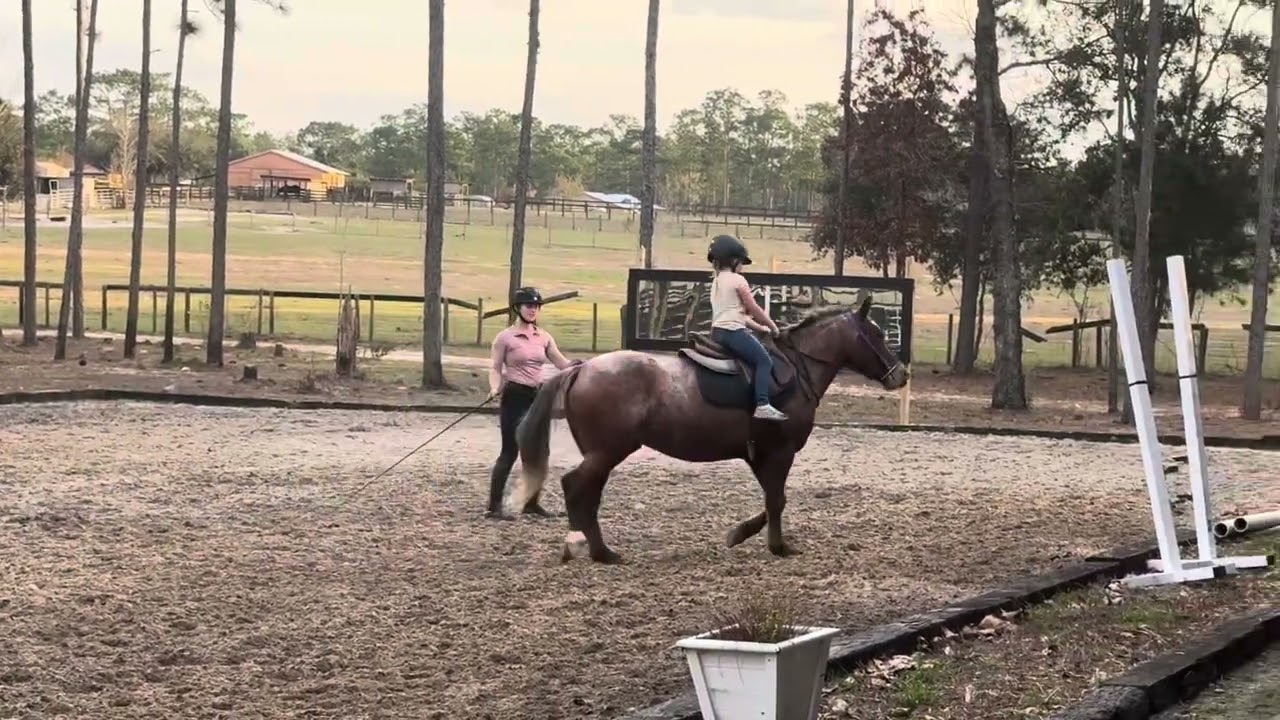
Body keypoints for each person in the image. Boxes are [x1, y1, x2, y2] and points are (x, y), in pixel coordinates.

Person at [485, 286, 579, 520]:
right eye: (528, 305)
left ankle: (531, 503)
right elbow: (495, 368)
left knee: (539, 453)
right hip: (514, 396)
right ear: (518, 308)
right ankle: (494, 506)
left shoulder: (544, 337)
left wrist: (581, 366)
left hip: (537, 397)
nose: (533, 309)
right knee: (510, 451)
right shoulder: (505, 337)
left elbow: (561, 364)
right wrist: (494, 387)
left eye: (536, 306)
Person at [706, 234, 788, 421]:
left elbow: (738, 314)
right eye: (741, 262)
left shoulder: (716, 281)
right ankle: (762, 404)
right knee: (764, 361)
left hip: (717, 332)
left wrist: (760, 328)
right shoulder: (738, 280)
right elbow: (753, 308)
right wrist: (773, 326)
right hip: (733, 333)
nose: (742, 266)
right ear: (733, 260)